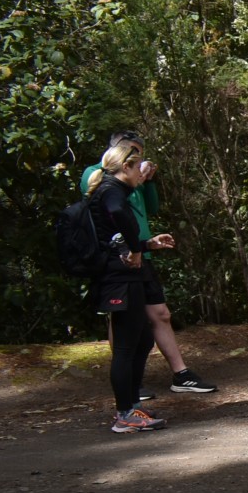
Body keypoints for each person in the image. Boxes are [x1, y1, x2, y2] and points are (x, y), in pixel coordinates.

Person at [80, 132, 217, 395]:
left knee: (158, 316)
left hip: (142, 254)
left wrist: (147, 182)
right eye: (133, 153)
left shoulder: (131, 183)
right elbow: (111, 208)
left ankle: (179, 375)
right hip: (118, 261)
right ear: (120, 155)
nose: (139, 158)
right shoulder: (101, 178)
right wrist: (135, 247)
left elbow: (151, 208)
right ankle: (129, 389)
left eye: (141, 153)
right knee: (123, 325)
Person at [85, 144, 175, 432]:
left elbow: (113, 237)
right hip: (117, 279)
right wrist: (136, 247)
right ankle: (125, 414)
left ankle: (132, 406)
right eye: (138, 168)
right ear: (126, 167)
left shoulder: (112, 189)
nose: (141, 173)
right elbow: (117, 215)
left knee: (143, 340)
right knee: (125, 346)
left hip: (124, 276)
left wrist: (146, 245)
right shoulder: (111, 190)